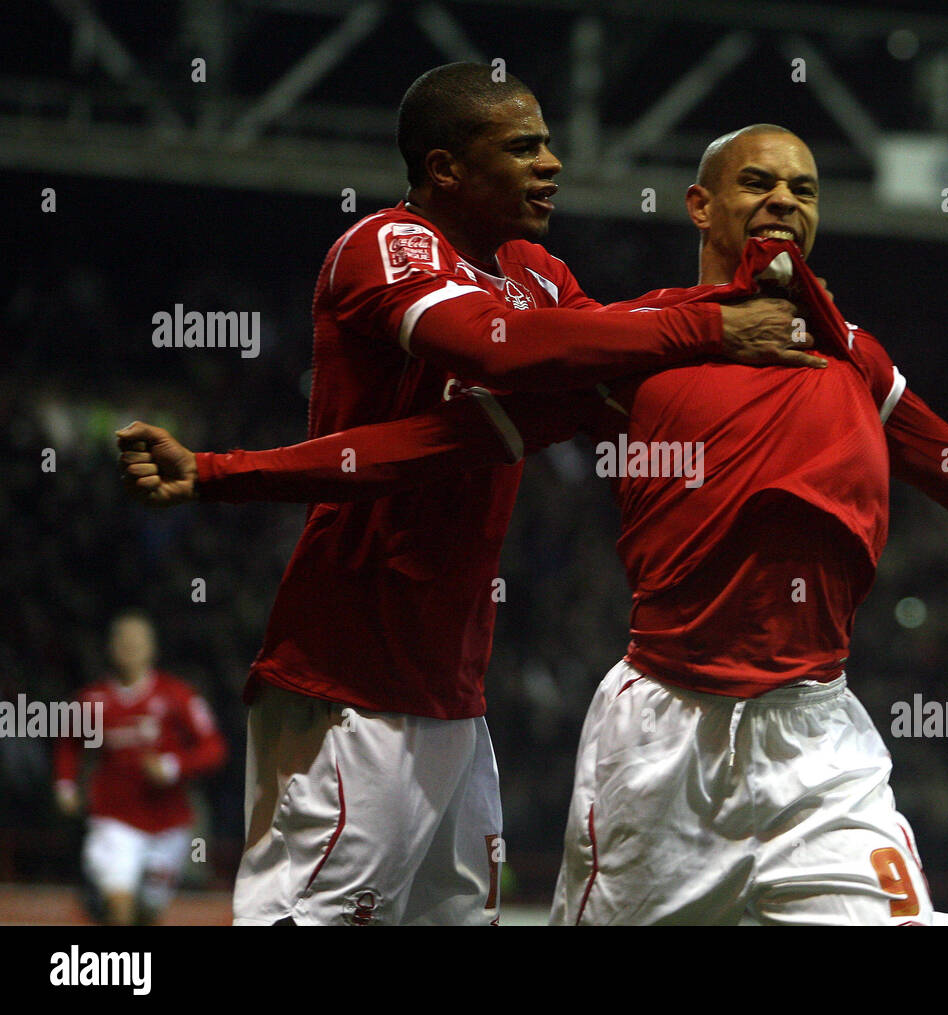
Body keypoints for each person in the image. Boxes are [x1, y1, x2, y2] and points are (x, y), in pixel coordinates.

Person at [119, 125, 948, 925]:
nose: (783, 202)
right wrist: (218, 472)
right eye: (758, 182)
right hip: (659, 741)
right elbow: (432, 444)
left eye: (803, 188)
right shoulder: (636, 350)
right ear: (701, 205)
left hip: (819, 740)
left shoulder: (857, 358)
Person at [116, 66, 813, 927]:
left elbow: (611, 380)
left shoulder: (538, 273)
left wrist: (762, 332)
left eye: (550, 142)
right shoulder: (387, 246)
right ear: (444, 167)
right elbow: (495, 351)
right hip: (348, 670)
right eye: (524, 147)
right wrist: (708, 325)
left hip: (451, 687)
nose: (553, 163)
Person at [53, 612, 227, 926]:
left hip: (168, 823)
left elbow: (214, 748)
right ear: (110, 647)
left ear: (152, 647)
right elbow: (69, 744)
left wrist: (173, 766)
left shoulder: (178, 695)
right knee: (120, 905)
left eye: (137, 640)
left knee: (148, 912)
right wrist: (65, 785)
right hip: (113, 818)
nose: (129, 646)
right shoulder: (90, 700)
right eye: (122, 639)